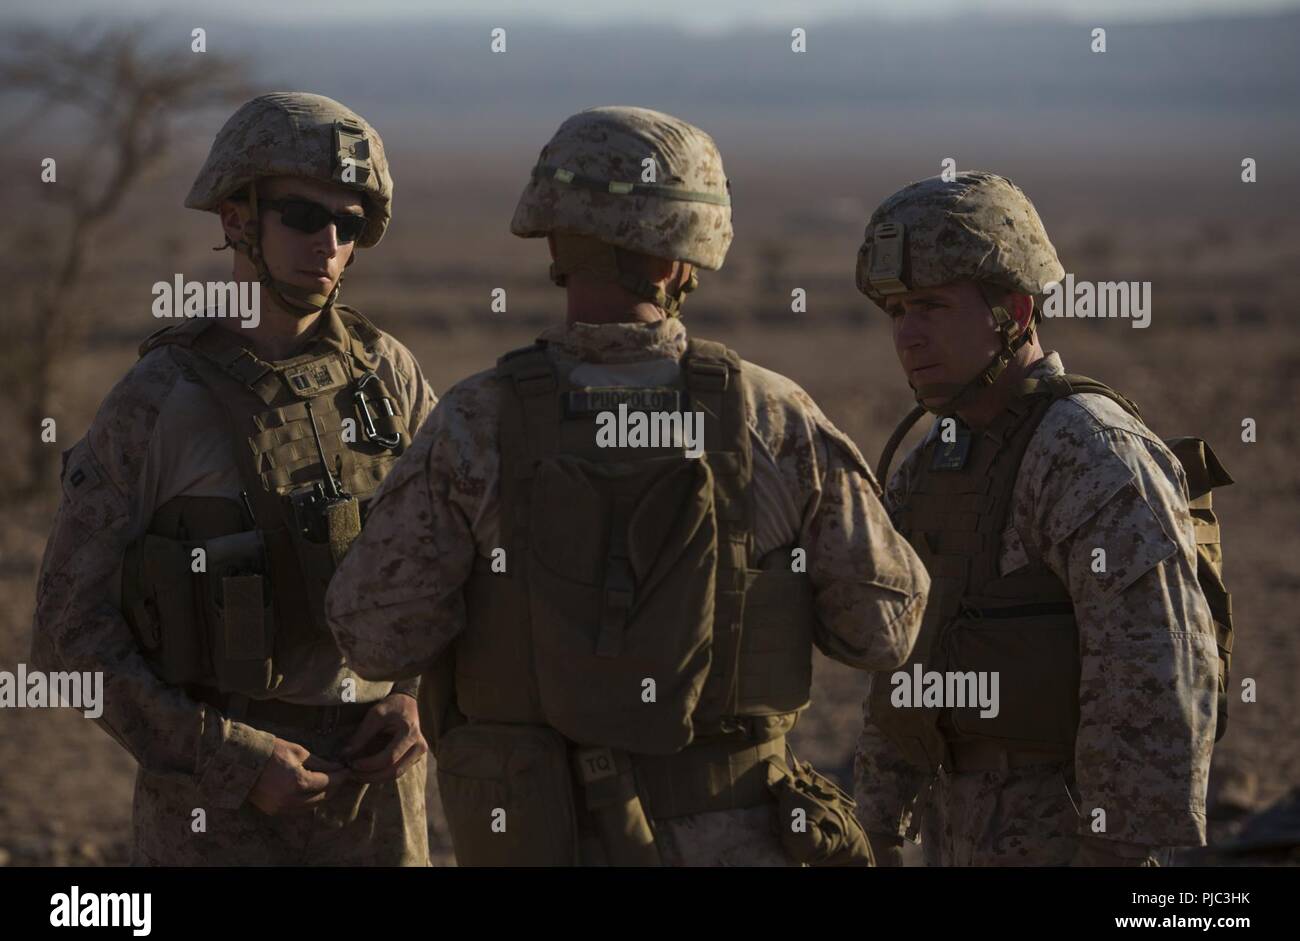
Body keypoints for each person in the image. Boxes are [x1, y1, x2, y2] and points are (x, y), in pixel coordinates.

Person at [326, 105, 929, 866]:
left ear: (556, 241)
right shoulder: (775, 418)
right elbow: (882, 630)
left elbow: (375, 634)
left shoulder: (473, 424)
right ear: (683, 258)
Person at [30, 92, 435, 865]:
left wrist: (418, 698)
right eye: (300, 216)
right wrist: (227, 756)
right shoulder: (157, 400)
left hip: (373, 800)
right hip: (211, 808)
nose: (327, 243)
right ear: (236, 219)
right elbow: (66, 636)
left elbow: (454, 572)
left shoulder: (391, 377)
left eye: (348, 226)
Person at [851, 170, 1221, 867]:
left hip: (1068, 837)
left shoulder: (1091, 454)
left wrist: (1116, 853)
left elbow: (1155, 676)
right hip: (952, 831)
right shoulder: (932, 461)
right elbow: (903, 666)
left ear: (1014, 313)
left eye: (930, 306)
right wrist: (873, 827)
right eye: (896, 311)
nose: (908, 335)